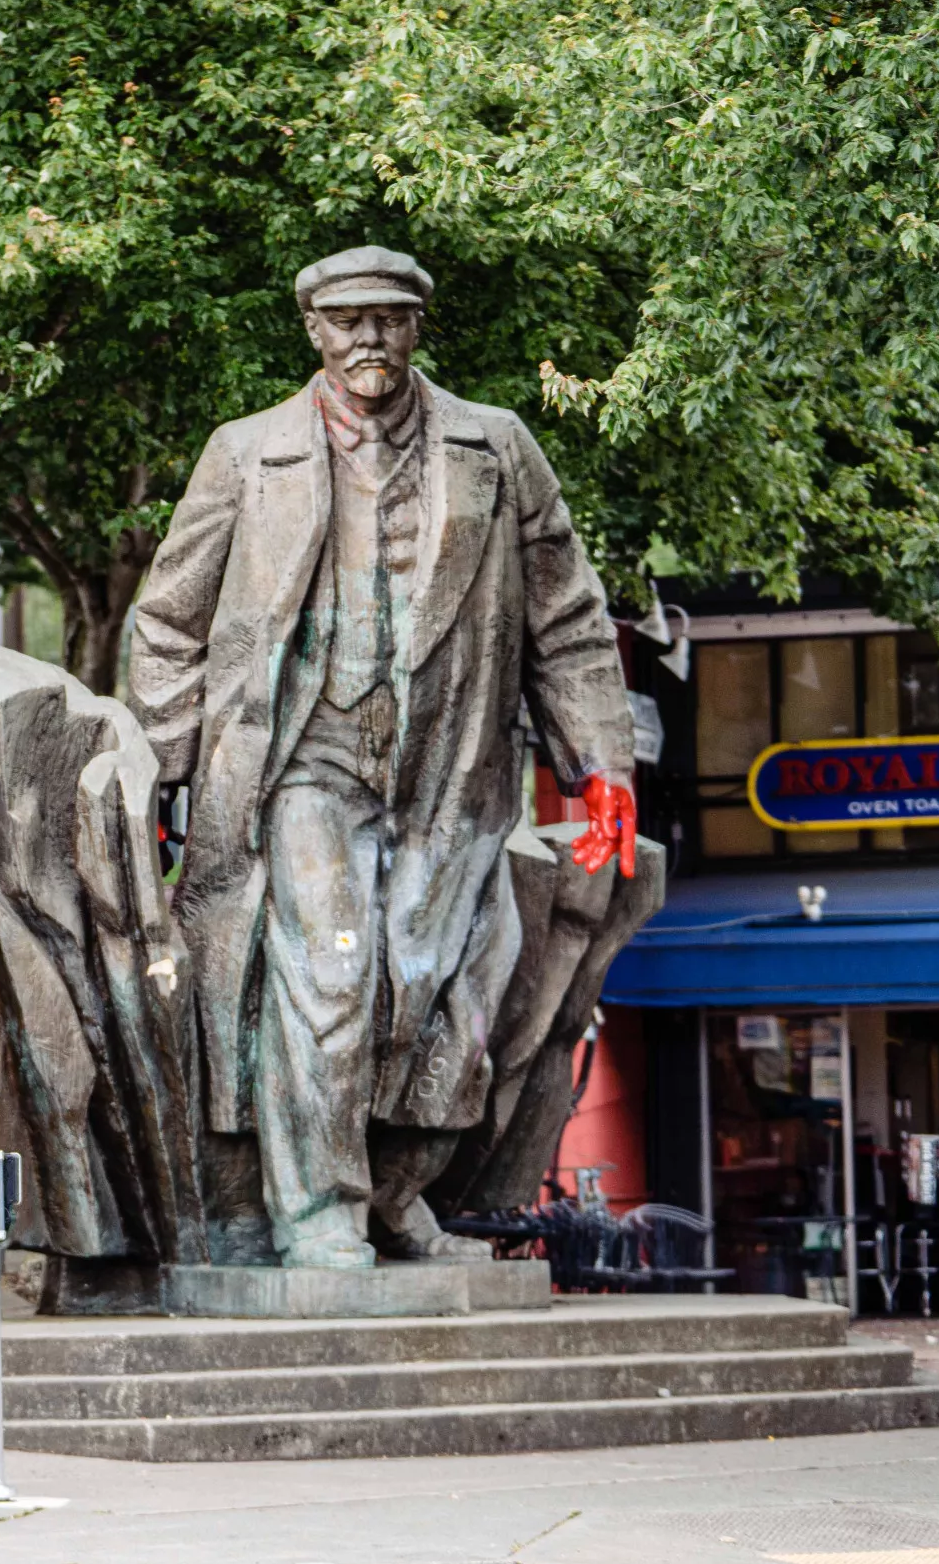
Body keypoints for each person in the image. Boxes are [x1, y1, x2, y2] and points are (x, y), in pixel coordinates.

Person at [127, 246, 637, 1268]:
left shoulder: (494, 448)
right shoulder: (247, 452)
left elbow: (567, 616)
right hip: (298, 761)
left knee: (442, 987)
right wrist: (162, 768)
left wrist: (601, 762)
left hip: (450, 768)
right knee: (331, 972)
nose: (368, 338)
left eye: (388, 319)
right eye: (347, 319)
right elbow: (166, 621)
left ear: (416, 328)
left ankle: (392, 1187)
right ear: (313, 328)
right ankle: (317, 1205)